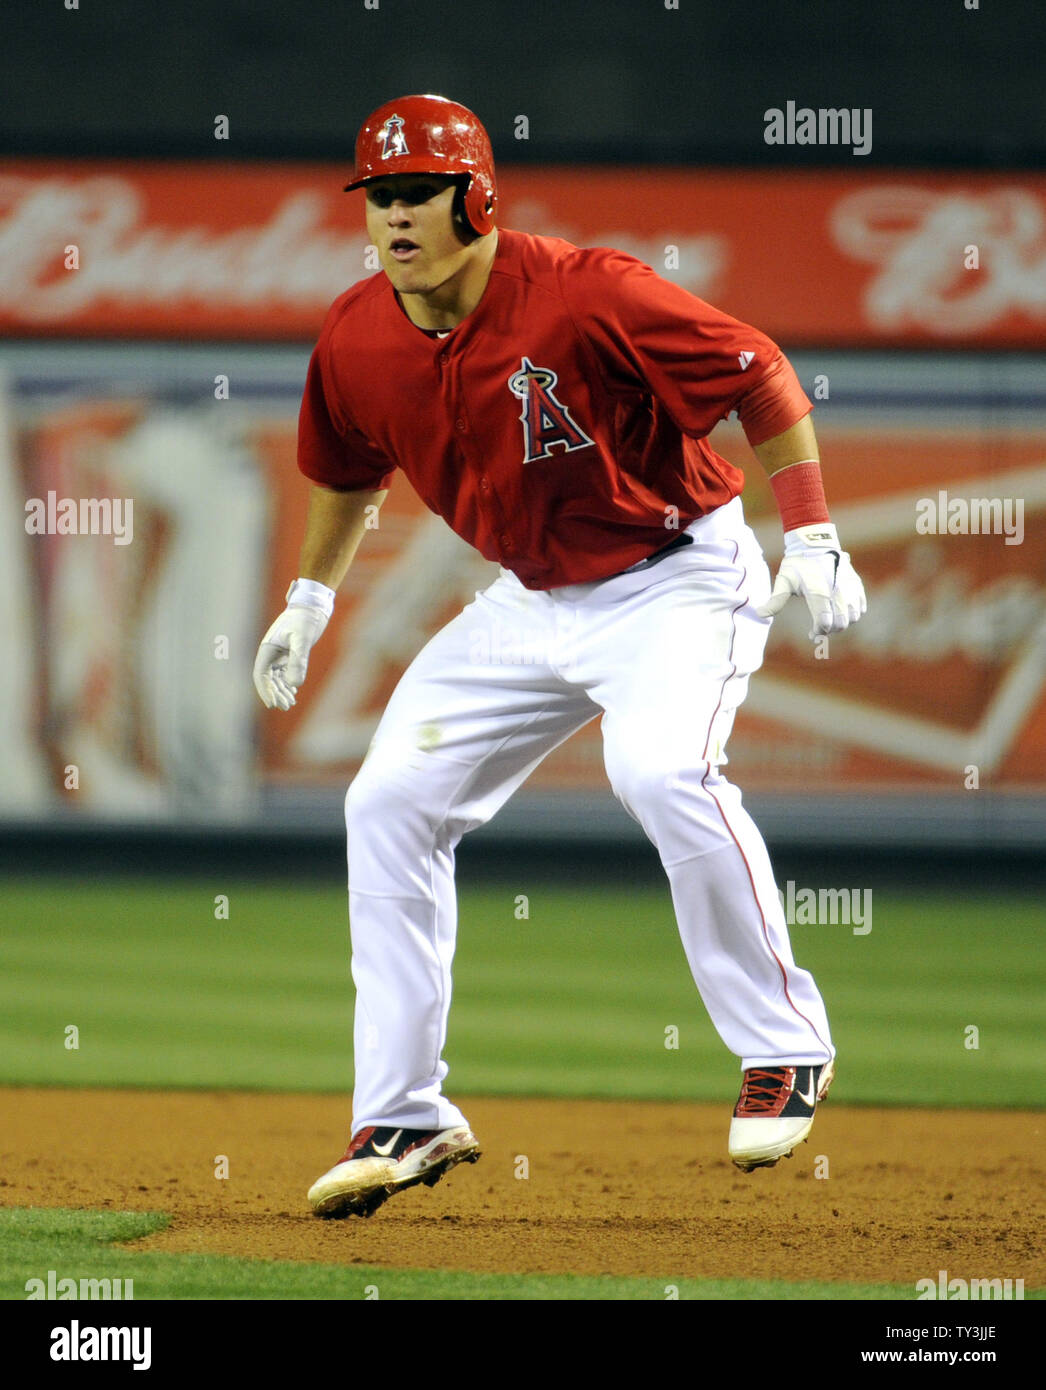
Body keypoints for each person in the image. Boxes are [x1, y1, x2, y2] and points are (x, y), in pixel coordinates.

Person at [253, 94, 867, 1219]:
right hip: (528, 601)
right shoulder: (354, 333)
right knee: (385, 801)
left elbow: (757, 369)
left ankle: (786, 1046)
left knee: (659, 772)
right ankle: (405, 1115)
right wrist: (307, 594)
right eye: (379, 195)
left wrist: (813, 529)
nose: (393, 216)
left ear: (476, 196)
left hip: (673, 574)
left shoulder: (586, 292)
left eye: (417, 192)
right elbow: (345, 472)